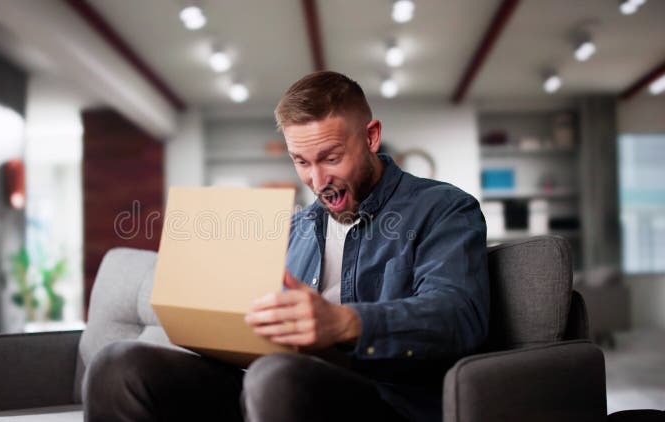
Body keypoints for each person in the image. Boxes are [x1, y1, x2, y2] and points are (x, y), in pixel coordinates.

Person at [84, 71, 489, 422]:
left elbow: (459, 315)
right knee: (118, 365)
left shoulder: (443, 209)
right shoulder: (295, 227)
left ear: (371, 136)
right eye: (301, 161)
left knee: (276, 375)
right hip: (269, 387)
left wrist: (345, 323)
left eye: (331, 158)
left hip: (383, 400)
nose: (317, 179)